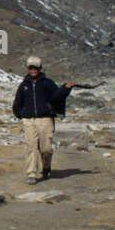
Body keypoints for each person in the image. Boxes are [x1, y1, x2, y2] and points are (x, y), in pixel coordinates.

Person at [11, 55, 74, 185]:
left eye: (36, 67)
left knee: (46, 149)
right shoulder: (24, 85)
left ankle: (46, 166)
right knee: (31, 147)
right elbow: (18, 101)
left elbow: (57, 97)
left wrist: (65, 89)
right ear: (27, 68)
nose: (33, 70)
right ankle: (31, 173)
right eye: (31, 67)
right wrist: (20, 114)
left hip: (45, 119)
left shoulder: (48, 83)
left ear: (40, 68)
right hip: (29, 121)